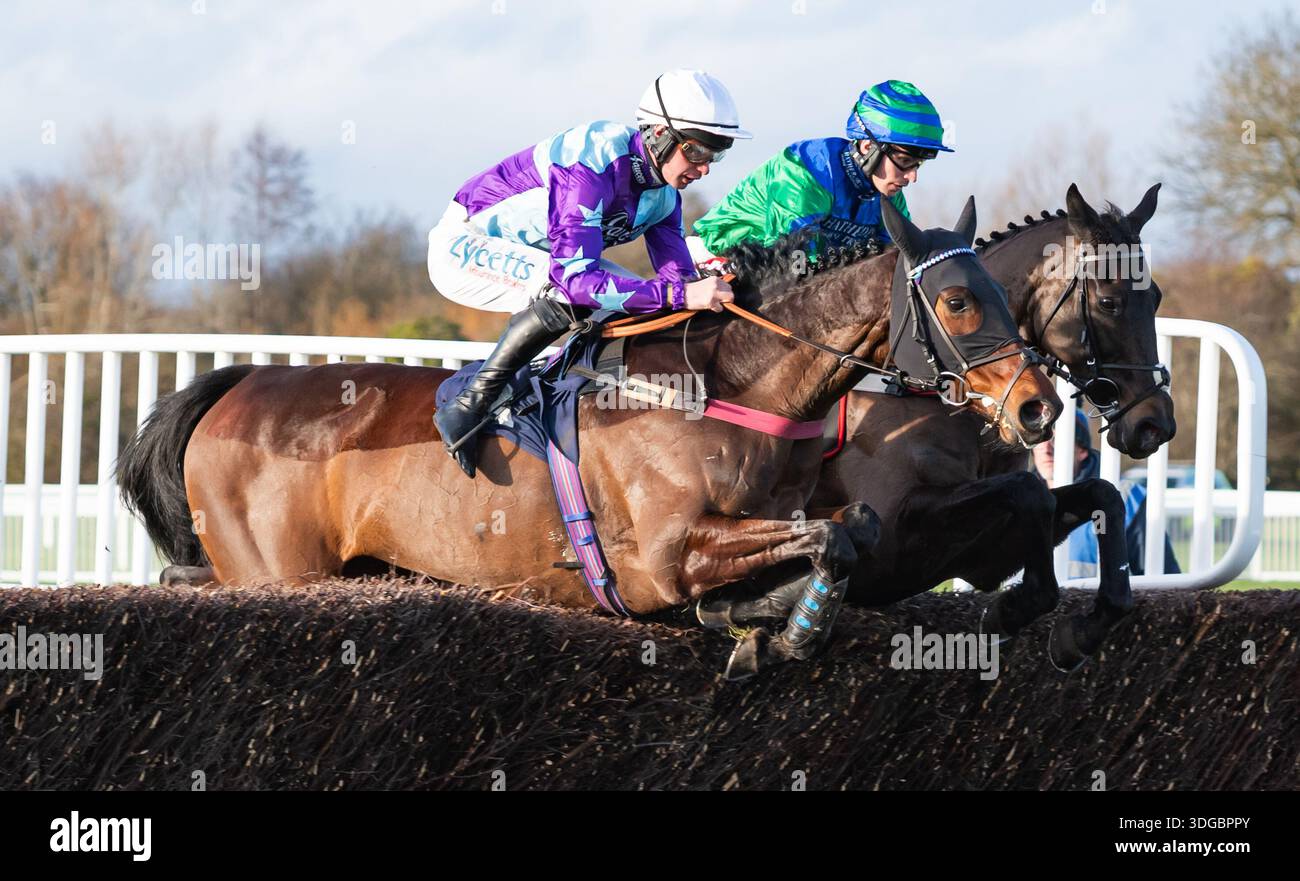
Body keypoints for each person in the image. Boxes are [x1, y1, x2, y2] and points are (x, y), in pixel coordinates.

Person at [428, 69, 751, 477]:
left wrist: (713, 286)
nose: (705, 169)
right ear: (658, 135)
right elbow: (575, 281)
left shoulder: (665, 195)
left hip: (542, 258)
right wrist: (683, 296)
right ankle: (470, 404)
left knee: (638, 304)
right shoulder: (590, 160)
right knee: (573, 295)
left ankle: (576, 394)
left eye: (716, 155)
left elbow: (677, 285)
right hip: (465, 245)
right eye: (697, 152)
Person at [688, 80, 951, 263]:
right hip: (717, 259)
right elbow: (794, 263)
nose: (912, 176)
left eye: (919, 165)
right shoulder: (805, 171)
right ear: (869, 146)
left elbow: (897, 259)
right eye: (905, 161)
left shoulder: (888, 194)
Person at [1033, 409, 1180, 578]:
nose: (1045, 449)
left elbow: (1163, 580)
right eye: (1040, 440)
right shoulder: (1020, 501)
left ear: (1082, 451)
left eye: (1055, 440)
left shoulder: (1129, 499)